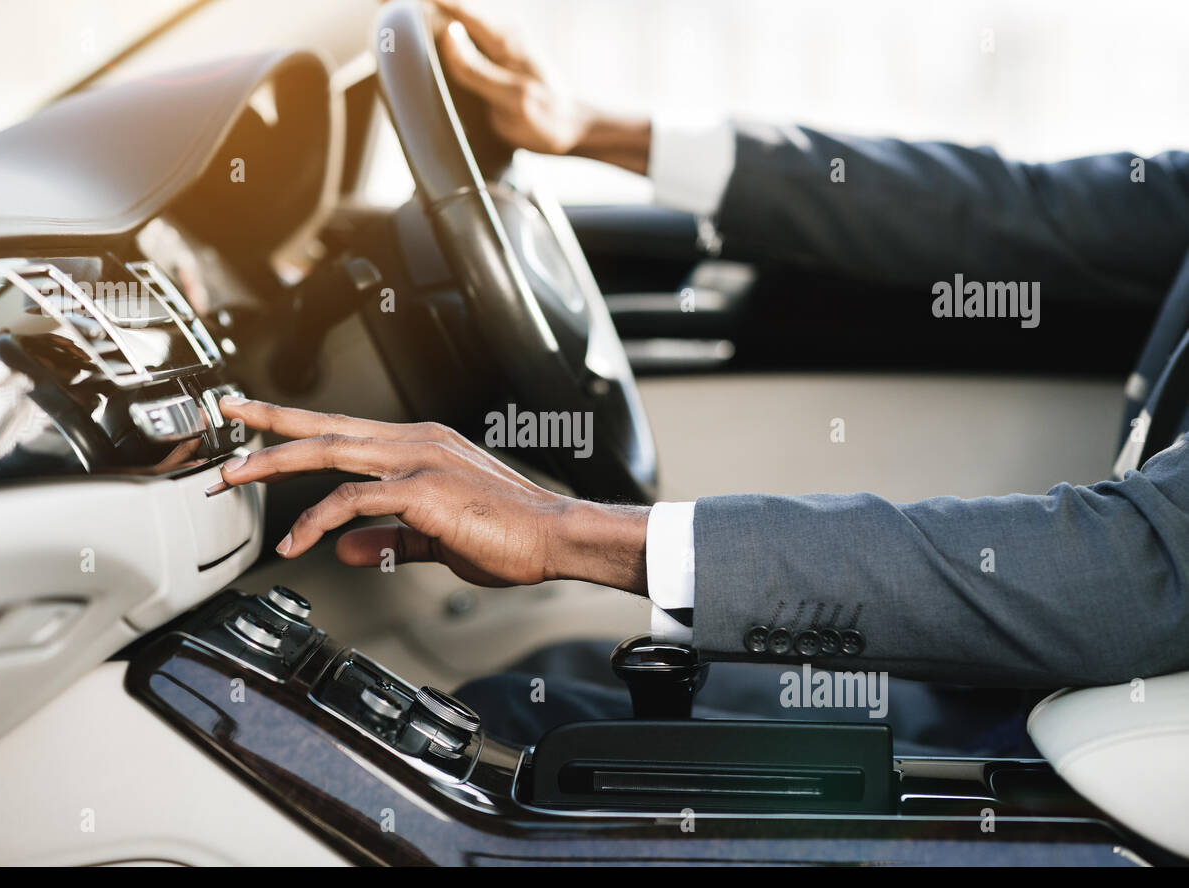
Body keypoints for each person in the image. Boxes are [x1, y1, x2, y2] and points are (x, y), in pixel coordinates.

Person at [209, 3, 1189, 751]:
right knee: (545, 683)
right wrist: (593, 128)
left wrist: (568, 531)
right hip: (1068, 700)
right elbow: (1015, 213)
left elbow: (1141, 574)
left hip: (1095, 754)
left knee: (518, 727)